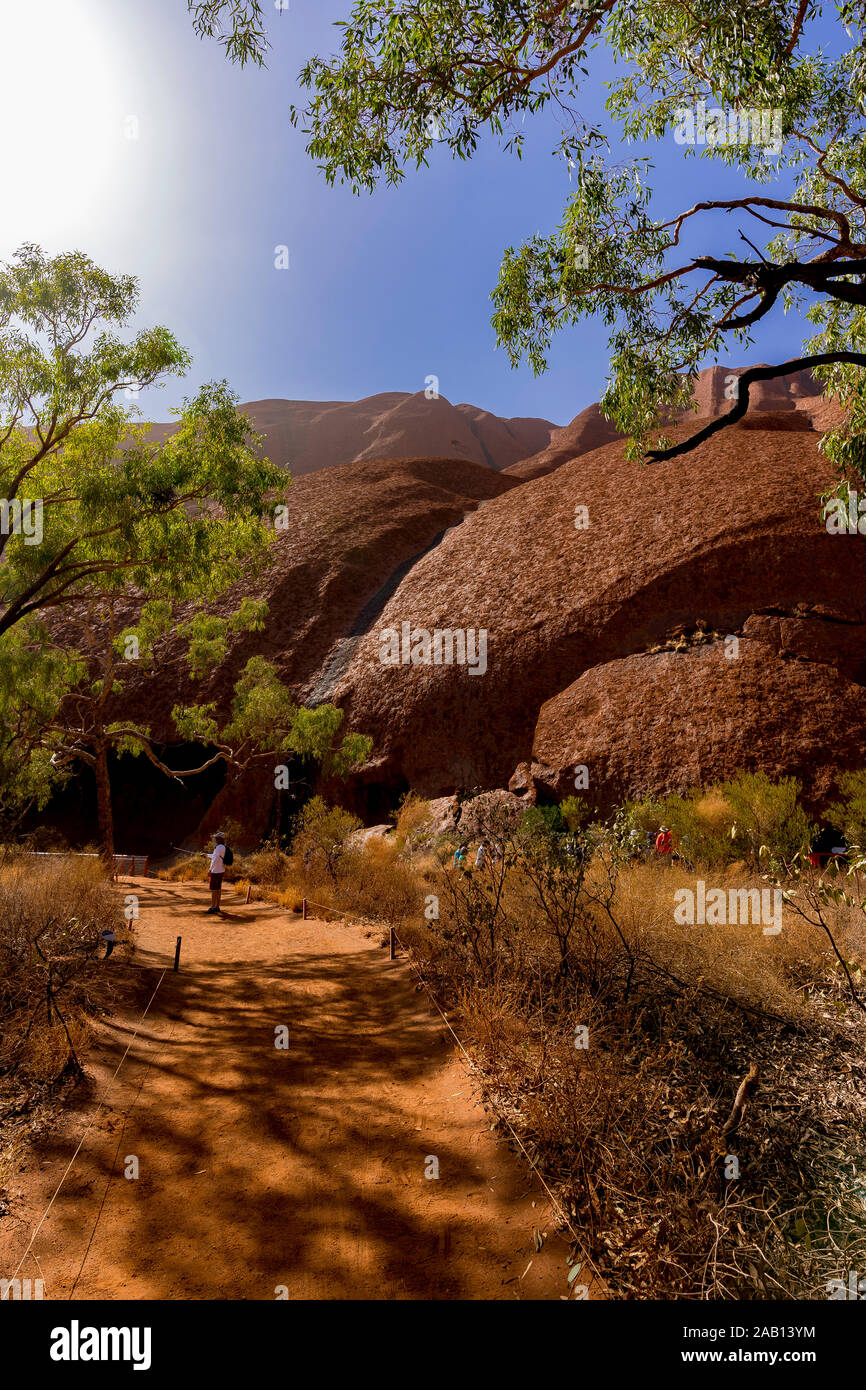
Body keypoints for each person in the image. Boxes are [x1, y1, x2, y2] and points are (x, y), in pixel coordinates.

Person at [206, 832, 226, 914]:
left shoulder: (218, 848)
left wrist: (210, 869)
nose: (215, 840)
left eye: (216, 838)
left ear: (218, 839)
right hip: (221, 871)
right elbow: (215, 856)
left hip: (215, 871)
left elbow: (214, 860)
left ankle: (213, 907)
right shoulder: (223, 847)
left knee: (214, 890)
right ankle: (217, 906)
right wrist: (206, 855)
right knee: (218, 889)